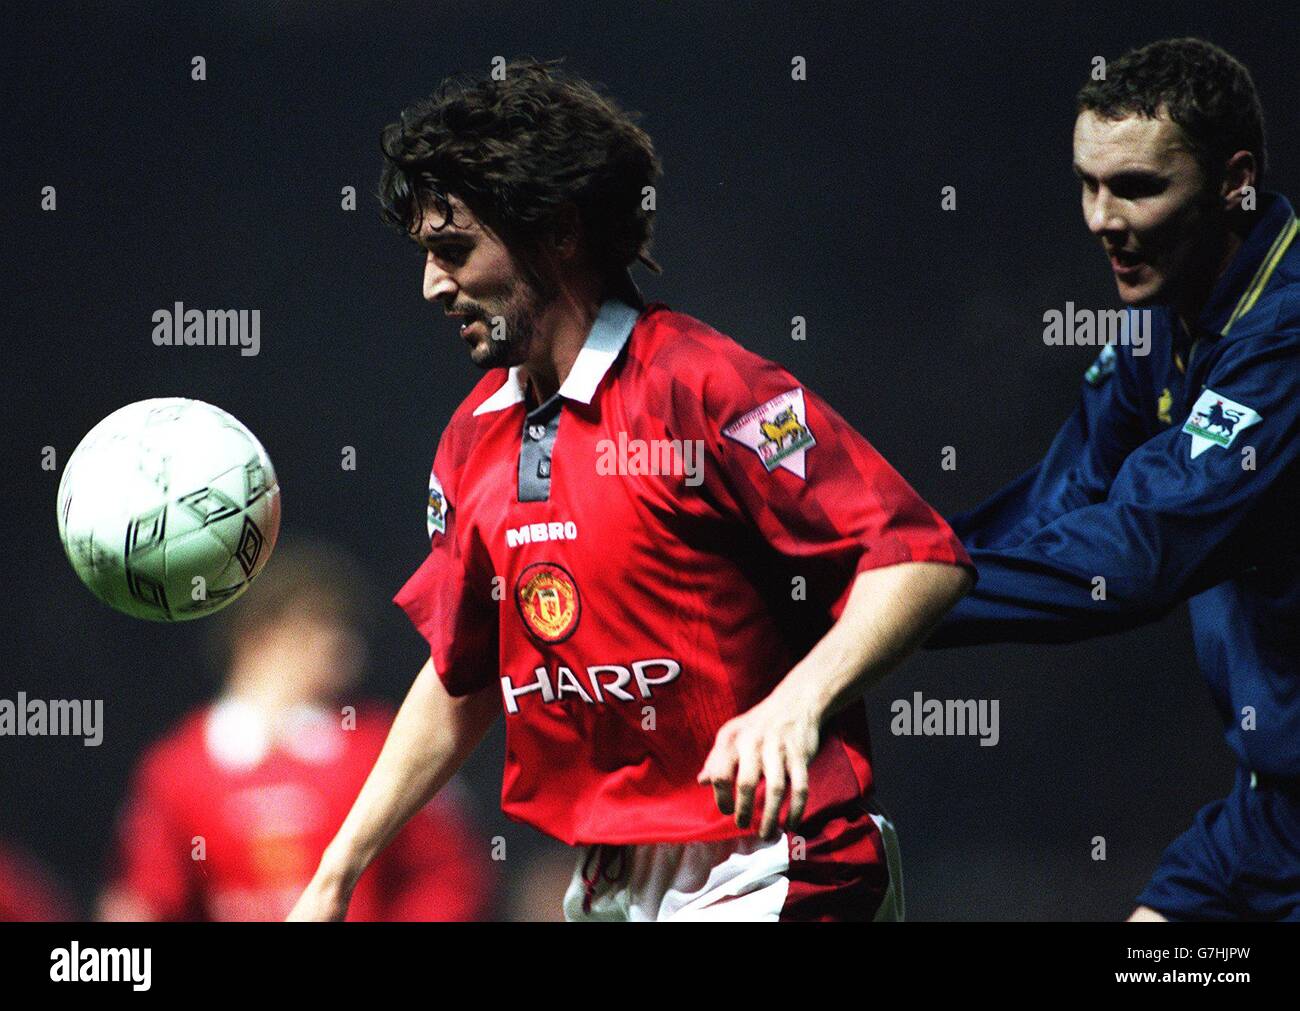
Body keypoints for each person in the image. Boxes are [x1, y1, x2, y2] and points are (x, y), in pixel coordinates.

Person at [290, 59, 972, 923]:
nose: (432, 284)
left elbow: (921, 558)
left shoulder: (704, 386)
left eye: (454, 250)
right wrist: (335, 873)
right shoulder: (473, 436)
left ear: (560, 229)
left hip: (779, 858)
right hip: (614, 878)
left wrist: (799, 703)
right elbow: (466, 674)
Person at [928, 38, 1300, 921]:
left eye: (1135, 186)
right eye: (1088, 185)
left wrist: (894, 599)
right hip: (1266, 818)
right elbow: (1063, 502)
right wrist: (879, 570)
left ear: (1234, 181)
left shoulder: (1284, 335)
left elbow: (1138, 553)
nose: (1100, 217)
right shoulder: (1162, 320)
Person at [99, 540, 496, 922]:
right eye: (318, 627)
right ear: (257, 635)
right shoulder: (178, 768)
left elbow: (450, 877)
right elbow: (147, 898)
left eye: (343, 628)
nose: (346, 647)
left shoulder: (386, 745)